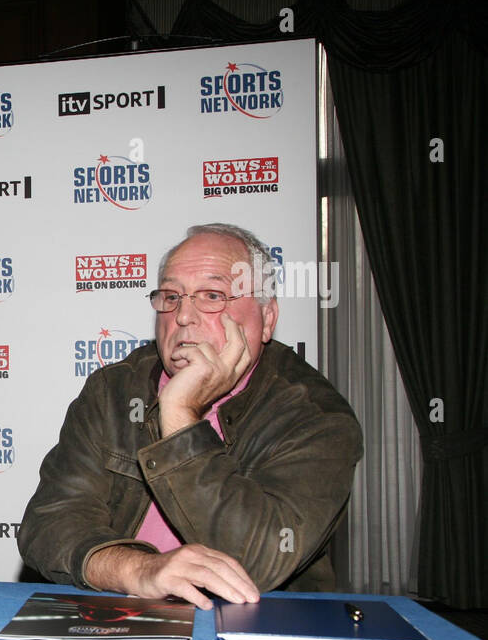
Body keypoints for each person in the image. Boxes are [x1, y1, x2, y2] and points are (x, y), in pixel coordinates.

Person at [19, 223, 363, 608]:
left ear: (267, 318)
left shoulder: (314, 417)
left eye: (213, 296)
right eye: (170, 296)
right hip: (125, 609)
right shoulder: (114, 391)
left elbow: (259, 563)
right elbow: (48, 524)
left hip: (254, 629)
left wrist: (181, 416)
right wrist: (139, 570)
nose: (183, 316)